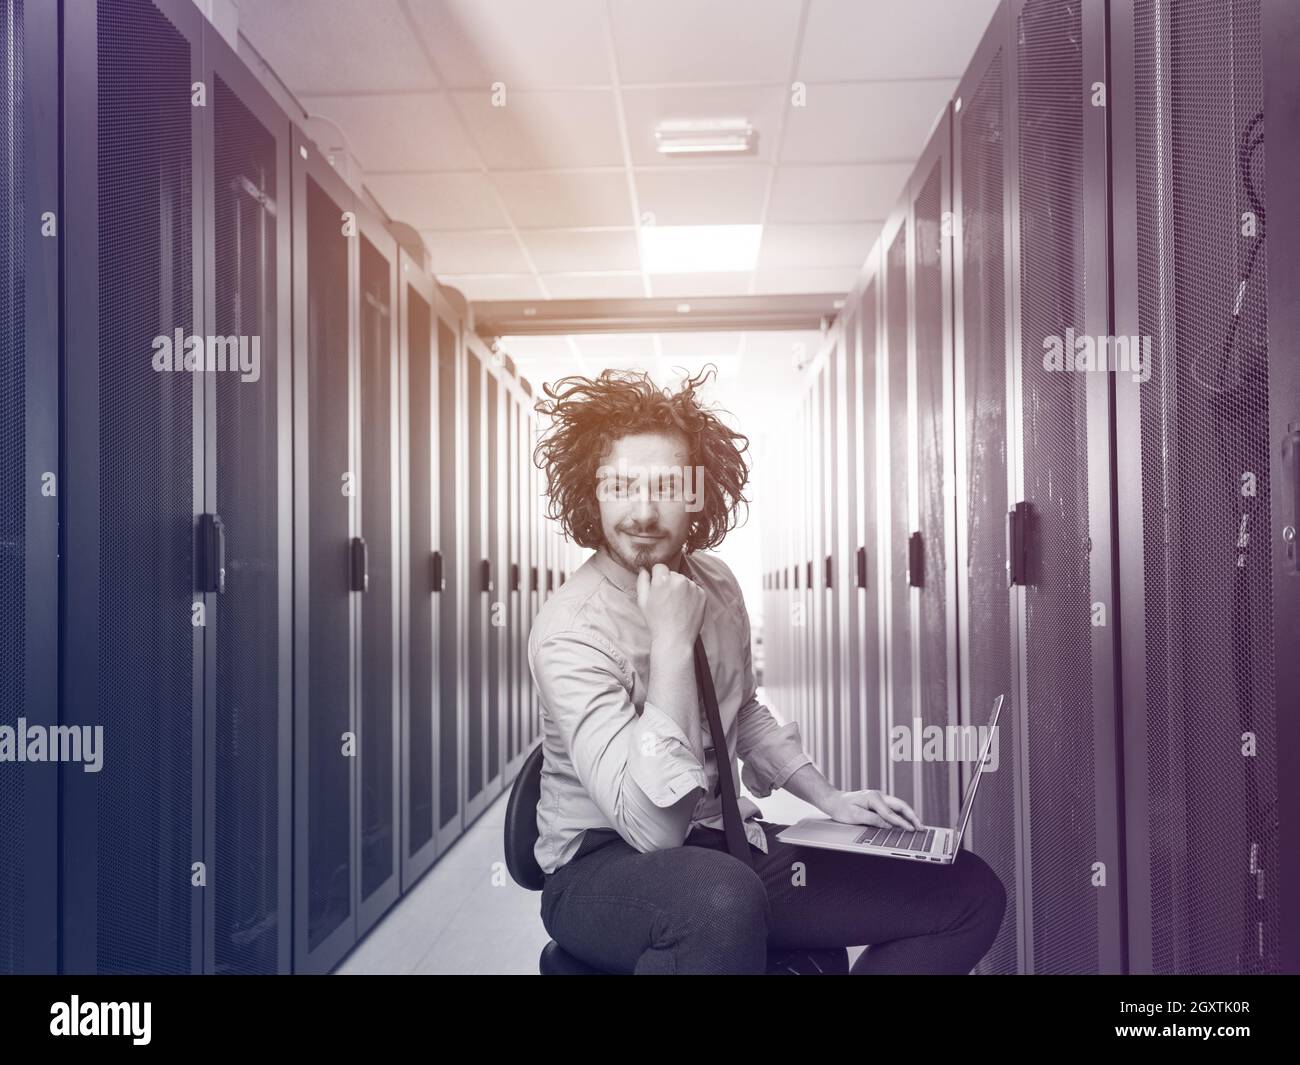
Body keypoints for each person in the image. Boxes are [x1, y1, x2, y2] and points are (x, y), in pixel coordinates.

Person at [528, 366, 1005, 975]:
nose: (643, 511)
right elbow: (653, 830)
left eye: (667, 487)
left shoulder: (716, 582)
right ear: (590, 493)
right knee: (717, 902)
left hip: (728, 847)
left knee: (965, 890)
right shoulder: (572, 630)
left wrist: (828, 799)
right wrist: (672, 642)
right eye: (621, 485)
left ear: (699, 494)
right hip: (601, 870)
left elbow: (742, 707)